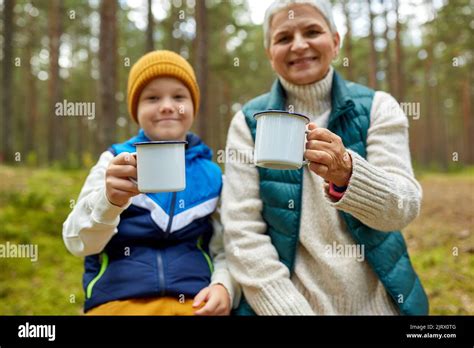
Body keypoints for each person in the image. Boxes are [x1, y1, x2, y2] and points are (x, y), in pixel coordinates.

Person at [222, 0, 429, 315]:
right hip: (286, 305)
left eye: (312, 31)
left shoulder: (377, 108)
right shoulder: (249, 121)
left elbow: (403, 208)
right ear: (269, 53)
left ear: (335, 42)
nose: (299, 45)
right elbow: (242, 233)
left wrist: (348, 174)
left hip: (378, 304)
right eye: (283, 38)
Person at [63, 50, 239, 315]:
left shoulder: (212, 175)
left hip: (195, 303)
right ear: (136, 110)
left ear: (193, 106)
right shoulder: (113, 163)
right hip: (117, 303)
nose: (167, 106)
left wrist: (224, 286)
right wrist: (108, 202)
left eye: (179, 96)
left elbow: (226, 248)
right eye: (152, 98)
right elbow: (77, 243)